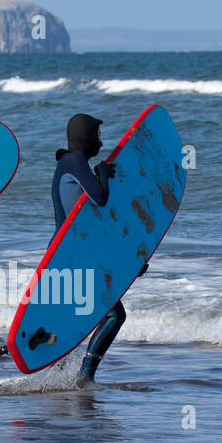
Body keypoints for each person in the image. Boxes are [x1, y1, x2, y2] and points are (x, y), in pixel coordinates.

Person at [51, 113, 146, 385]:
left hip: (70, 253)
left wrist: (130, 263)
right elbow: (100, 197)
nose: (101, 141)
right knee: (114, 314)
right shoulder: (74, 160)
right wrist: (103, 174)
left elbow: (95, 225)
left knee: (73, 318)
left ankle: (58, 377)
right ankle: (84, 377)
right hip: (74, 255)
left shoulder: (69, 164)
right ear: (86, 137)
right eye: (98, 135)